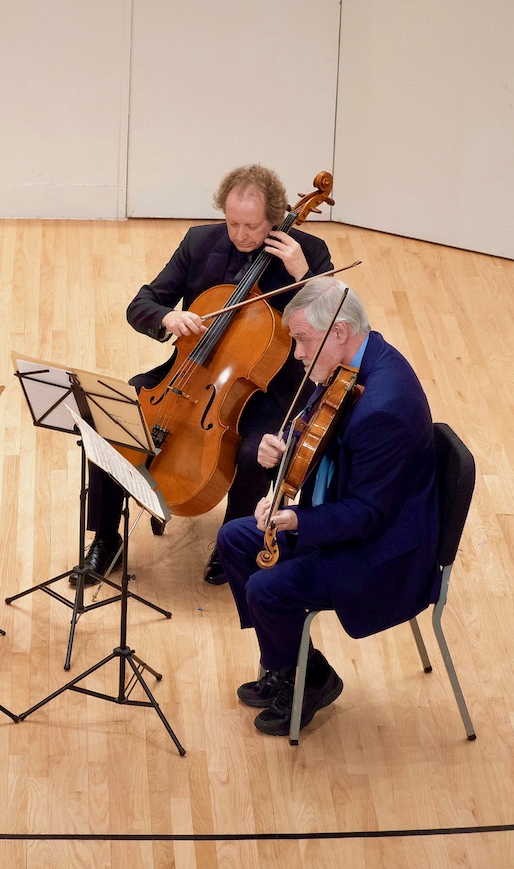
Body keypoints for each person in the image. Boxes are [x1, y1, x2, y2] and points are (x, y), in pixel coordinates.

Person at [83, 164, 334, 584]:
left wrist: (302, 275)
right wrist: (168, 318)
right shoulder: (200, 242)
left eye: (251, 226)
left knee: (256, 450)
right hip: (188, 374)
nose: (240, 236)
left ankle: (233, 540)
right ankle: (107, 537)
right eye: (232, 222)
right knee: (112, 414)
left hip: (268, 388)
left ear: (274, 217)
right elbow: (141, 303)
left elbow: (333, 326)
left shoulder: (307, 251)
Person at [215, 277, 440, 736]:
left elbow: (368, 514)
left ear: (339, 331)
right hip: (345, 518)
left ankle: (312, 678)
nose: (296, 353)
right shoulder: (350, 365)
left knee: (267, 589)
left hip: (380, 551)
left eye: (302, 341)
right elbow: (319, 425)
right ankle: (288, 665)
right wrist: (281, 447)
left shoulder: (385, 407)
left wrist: (297, 518)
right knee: (235, 541)